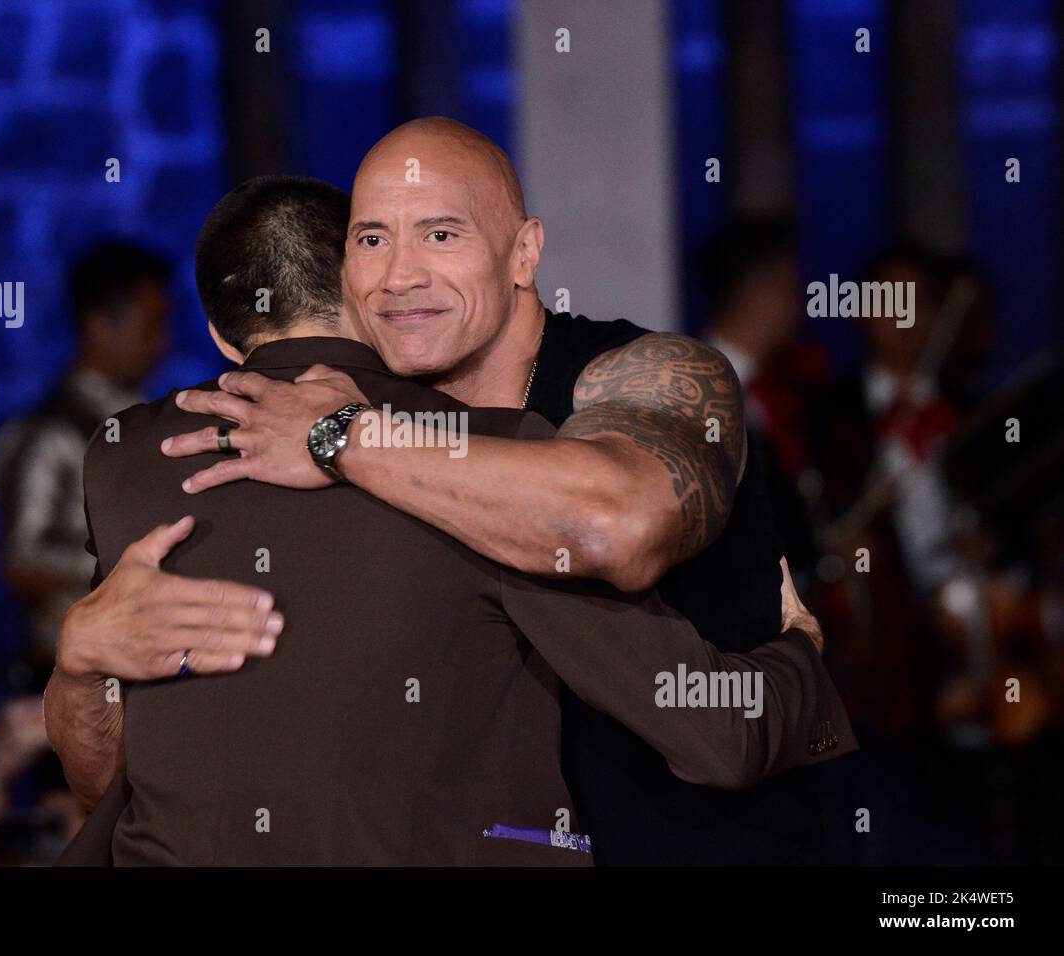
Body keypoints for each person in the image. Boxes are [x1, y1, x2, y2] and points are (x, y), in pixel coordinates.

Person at [49, 175, 854, 865]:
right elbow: (713, 732)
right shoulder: (480, 458)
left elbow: (109, 771)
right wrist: (800, 659)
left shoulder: (124, 460)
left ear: (225, 337)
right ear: (371, 290)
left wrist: (75, 663)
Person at [0, 241, 172, 667]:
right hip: (69, 668)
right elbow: (21, 561)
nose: (161, 344)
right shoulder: (50, 433)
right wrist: (143, 560)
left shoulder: (140, 418)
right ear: (100, 325)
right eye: (151, 326)